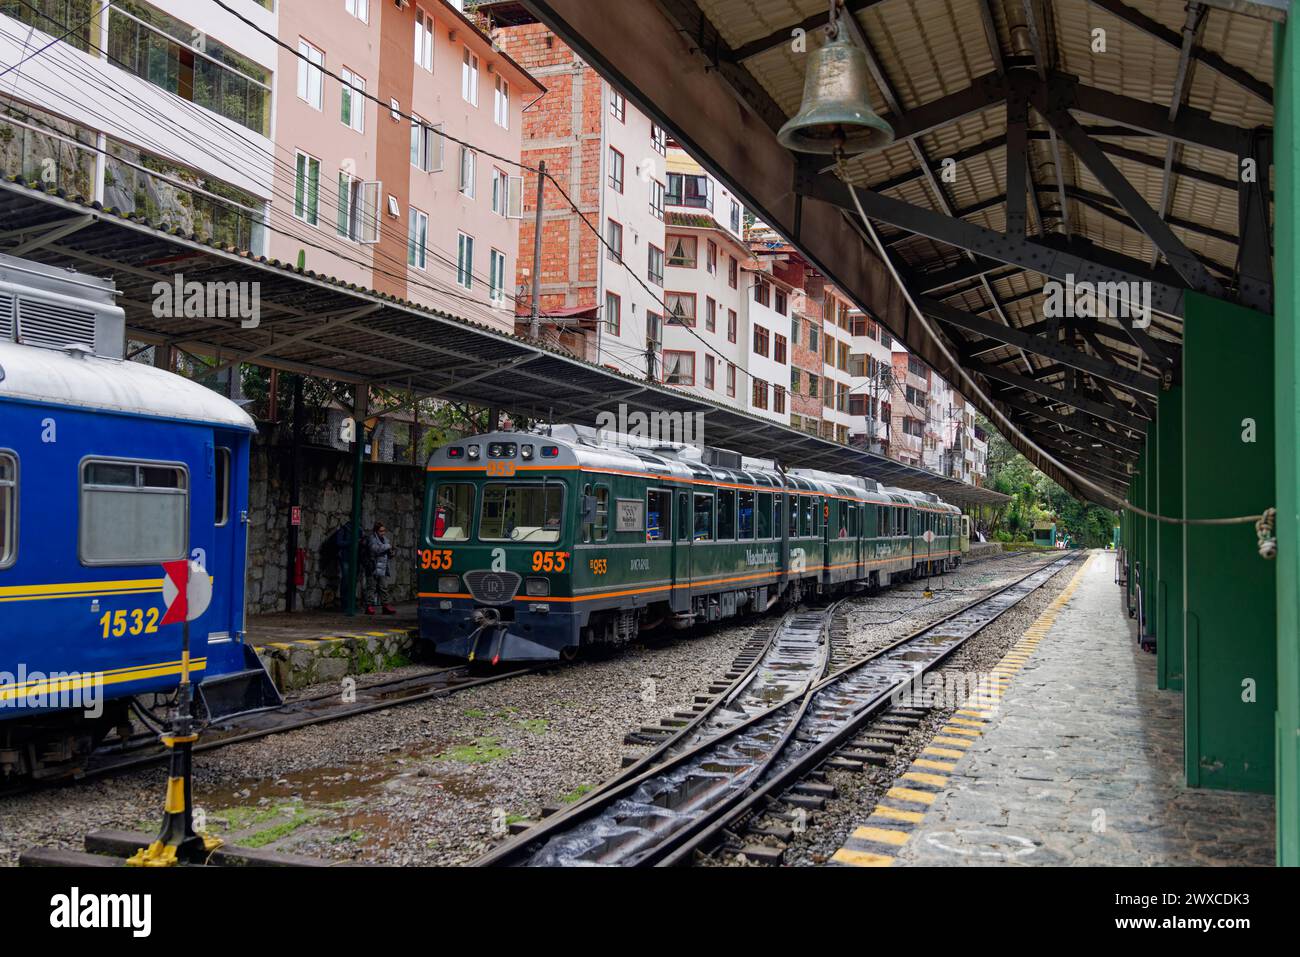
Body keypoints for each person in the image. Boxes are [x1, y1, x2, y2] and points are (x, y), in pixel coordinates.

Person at [363, 522, 396, 615]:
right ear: (376, 531)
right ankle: (369, 606)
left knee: (384, 587)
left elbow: (386, 553)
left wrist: (391, 553)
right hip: (373, 566)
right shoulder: (372, 539)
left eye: (384, 531)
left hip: (383, 567)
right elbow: (375, 549)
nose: (383, 533)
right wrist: (388, 546)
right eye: (381, 531)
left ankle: (385, 606)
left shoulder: (385, 539)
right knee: (371, 587)